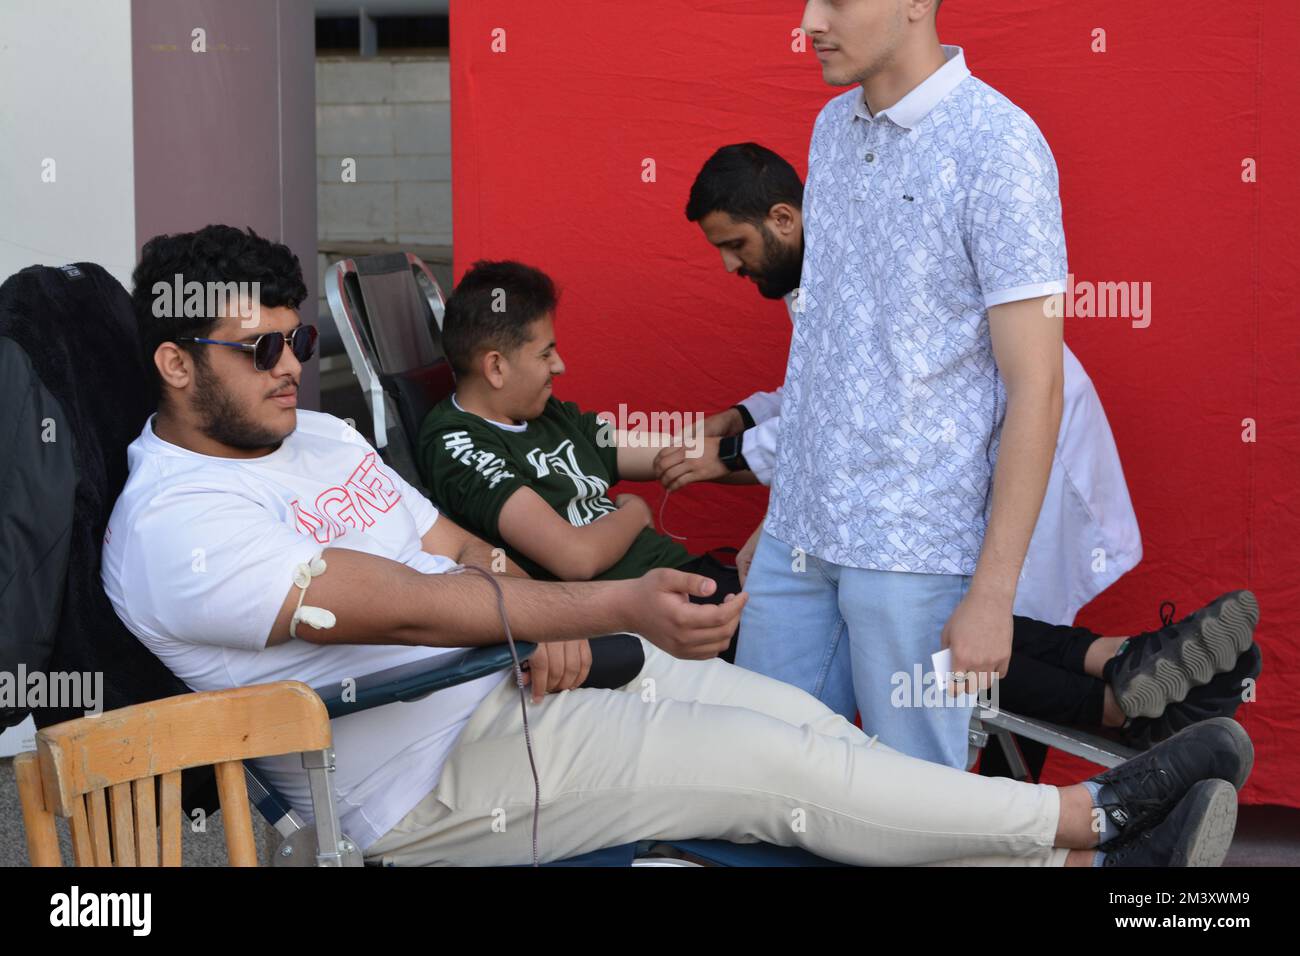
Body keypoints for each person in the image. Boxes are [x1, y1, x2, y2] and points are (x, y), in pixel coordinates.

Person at [101, 225, 1252, 867]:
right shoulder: (174, 527)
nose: (293, 364)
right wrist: (584, 611)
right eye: (262, 349)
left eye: (300, 336)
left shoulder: (309, 434)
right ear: (173, 361)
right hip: (429, 781)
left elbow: (451, 546)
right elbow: (409, 605)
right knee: (782, 776)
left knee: (804, 721)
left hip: (515, 679)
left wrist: (518, 613)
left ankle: (1071, 831)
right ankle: (1093, 826)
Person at [665, 141, 1259, 753]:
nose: (730, 267)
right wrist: (739, 419)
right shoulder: (822, 268)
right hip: (964, 446)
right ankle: (1131, 667)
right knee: (959, 631)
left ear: (783, 218)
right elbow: (821, 386)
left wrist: (736, 458)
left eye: (734, 245)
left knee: (965, 639)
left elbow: (861, 401)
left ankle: (1115, 714)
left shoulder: (856, 265)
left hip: (1019, 435)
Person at [698, 0, 1073, 770]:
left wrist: (993, 595)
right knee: (768, 784)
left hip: (916, 554)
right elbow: (826, 344)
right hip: (802, 541)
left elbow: (1035, 387)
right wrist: (789, 500)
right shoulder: (832, 130)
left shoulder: (1001, 146)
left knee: (917, 806)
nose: (808, 21)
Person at [417, 259, 745, 664]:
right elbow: (575, 558)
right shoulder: (457, 441)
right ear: (496, 367)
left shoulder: (547, 414)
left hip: (687, 579)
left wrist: (750, 454)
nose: (560, 365)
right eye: (545, 353)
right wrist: (635, 512)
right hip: (638, 618)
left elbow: (672, 452)